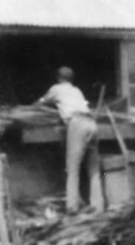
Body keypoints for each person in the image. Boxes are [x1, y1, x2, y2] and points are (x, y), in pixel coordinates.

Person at [38, 67, 104, 213]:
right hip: (92, 123)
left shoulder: (56, 88)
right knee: (94, 169)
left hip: (77, 123)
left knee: (72, 168)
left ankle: (72, 207)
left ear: (58, 78)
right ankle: (98, 206)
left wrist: (32, 107)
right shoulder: (77, 91)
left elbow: (41, 102)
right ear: (72, 79)